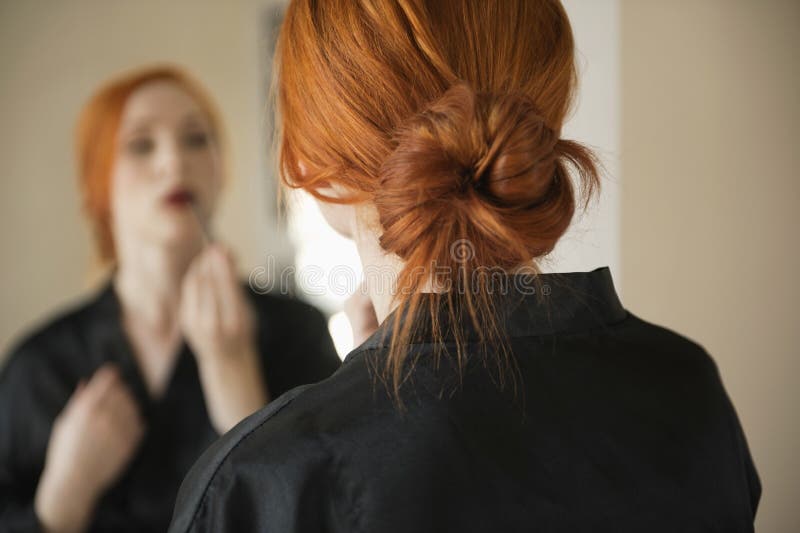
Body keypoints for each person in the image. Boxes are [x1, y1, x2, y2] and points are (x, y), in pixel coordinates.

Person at [168, 1, 762, 532]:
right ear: (539, 123)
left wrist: (371, 410)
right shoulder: (687, 391)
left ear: (308, 162)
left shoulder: (261, 484)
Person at [0, 65, 341, 533]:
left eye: (196, 139)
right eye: (142, 145)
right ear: (99, 186)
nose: (175, 163)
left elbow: (327, 512)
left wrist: (236, 378)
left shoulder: (296, 332)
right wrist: (62, 499)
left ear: (222, 171)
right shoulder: (37, 369)